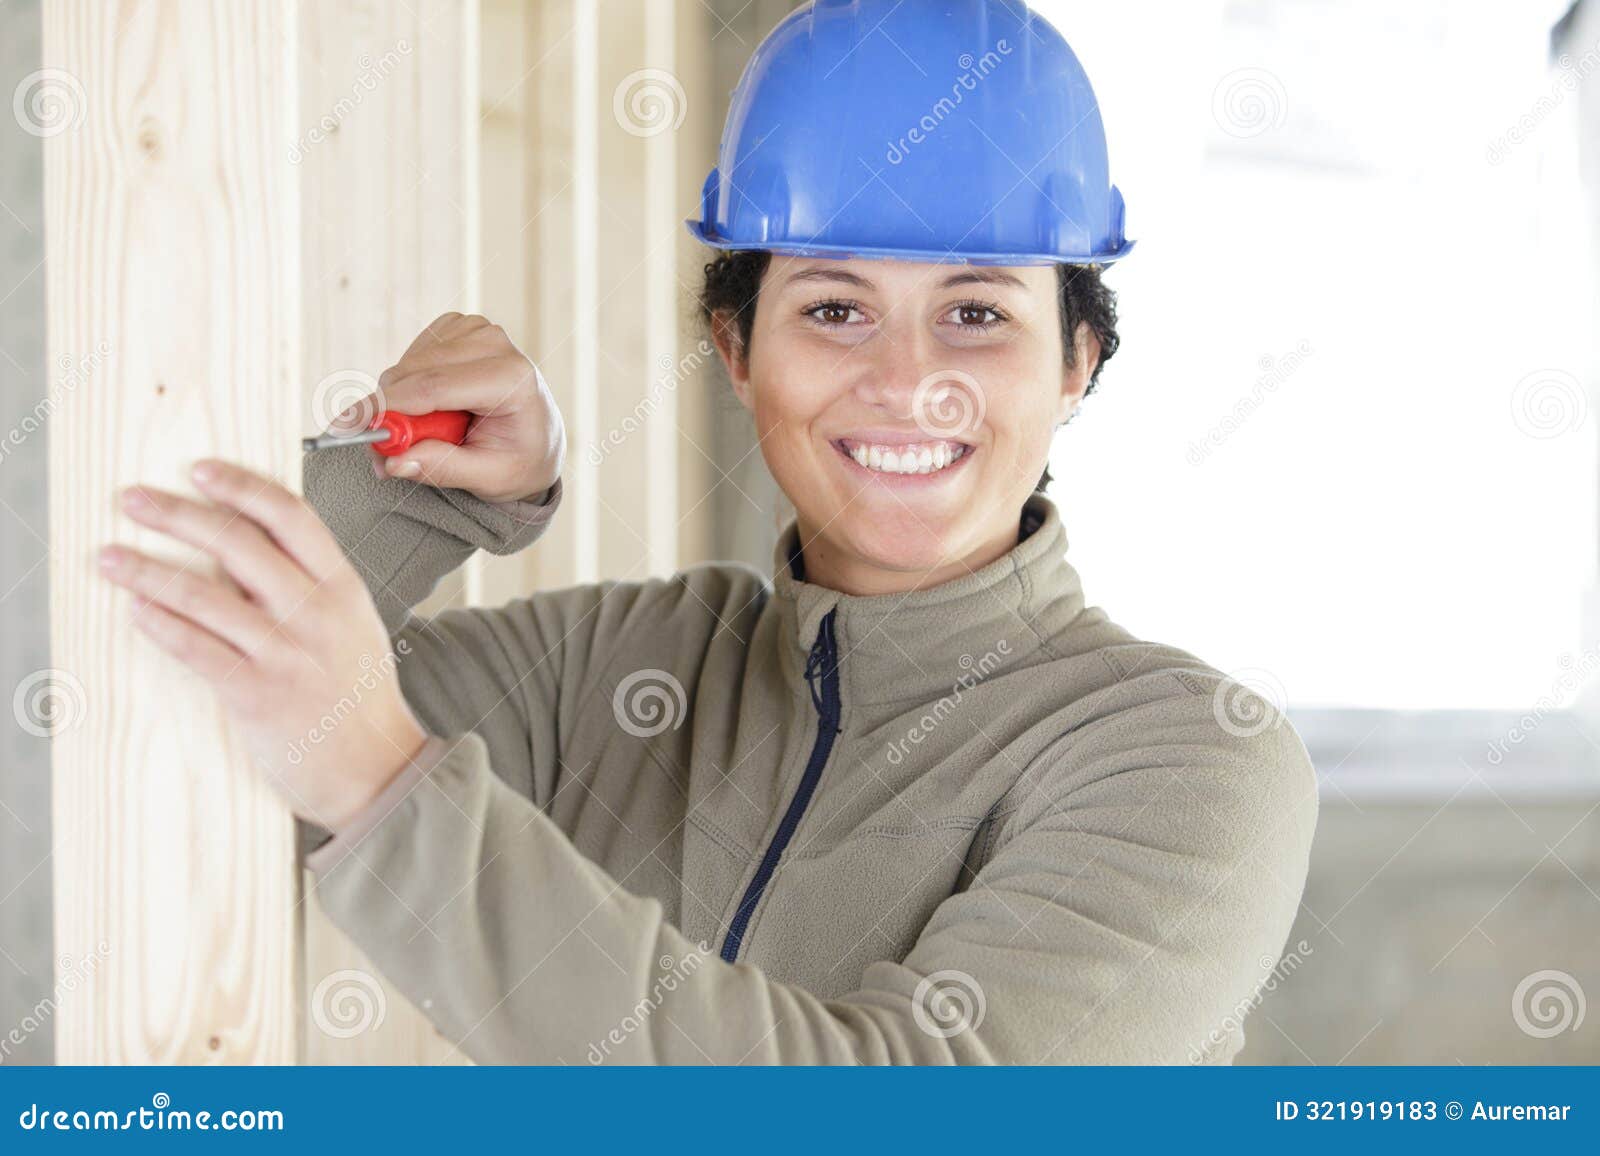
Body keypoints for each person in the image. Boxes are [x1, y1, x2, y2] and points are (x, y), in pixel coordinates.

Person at [95, 0, 1317, 1063]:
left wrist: (382, 779)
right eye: (834, 307)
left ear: (1075, 363)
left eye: (976, 313)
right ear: (737, 350)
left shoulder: (1186, 764)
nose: (906, 381)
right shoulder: (623, 668)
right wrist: (425, 492)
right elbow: (199, 709)